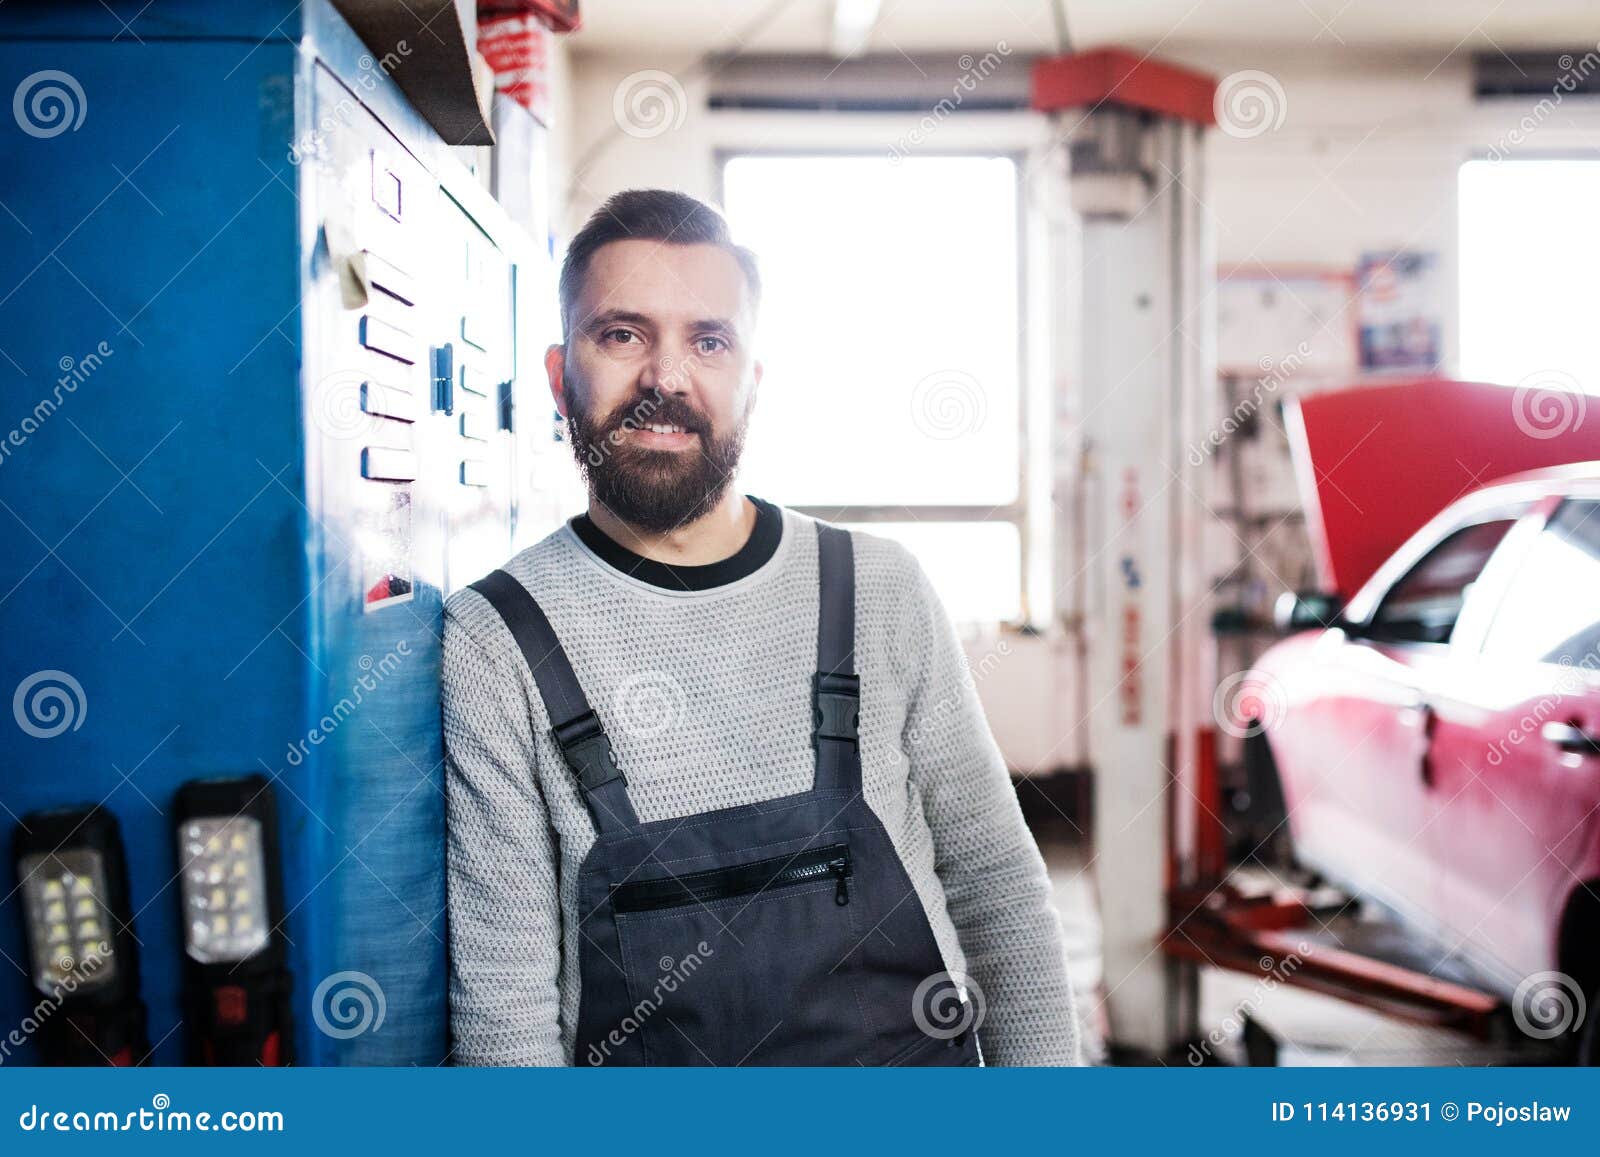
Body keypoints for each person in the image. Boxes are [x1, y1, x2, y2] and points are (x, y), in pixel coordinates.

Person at [442, 188, 1080, 1067]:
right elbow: (504, 1012)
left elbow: (999, 890)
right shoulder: (494, 640)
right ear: (559, 376)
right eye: (622, 334)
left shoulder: (879, 590)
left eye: (709, 340)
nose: (666, 378)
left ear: (753, 379)